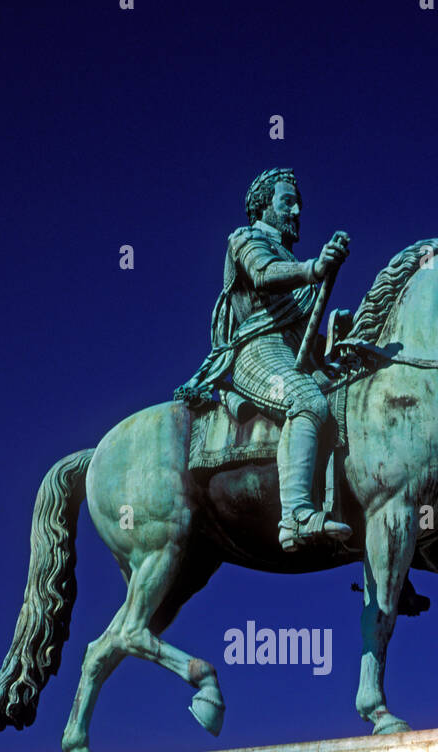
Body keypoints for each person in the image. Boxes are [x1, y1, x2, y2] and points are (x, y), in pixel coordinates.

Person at [176, 167, 352, 552]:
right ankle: (295, 517)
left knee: (353, 399)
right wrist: (315, 268)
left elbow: (304, 334)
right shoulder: (246, 239)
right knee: (306, 401)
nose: (295, 211)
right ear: (262, 207)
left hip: (291, 355)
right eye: (286, 202)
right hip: (256, 352)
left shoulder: (291, 260)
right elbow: (263, 274)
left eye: (298, 204)